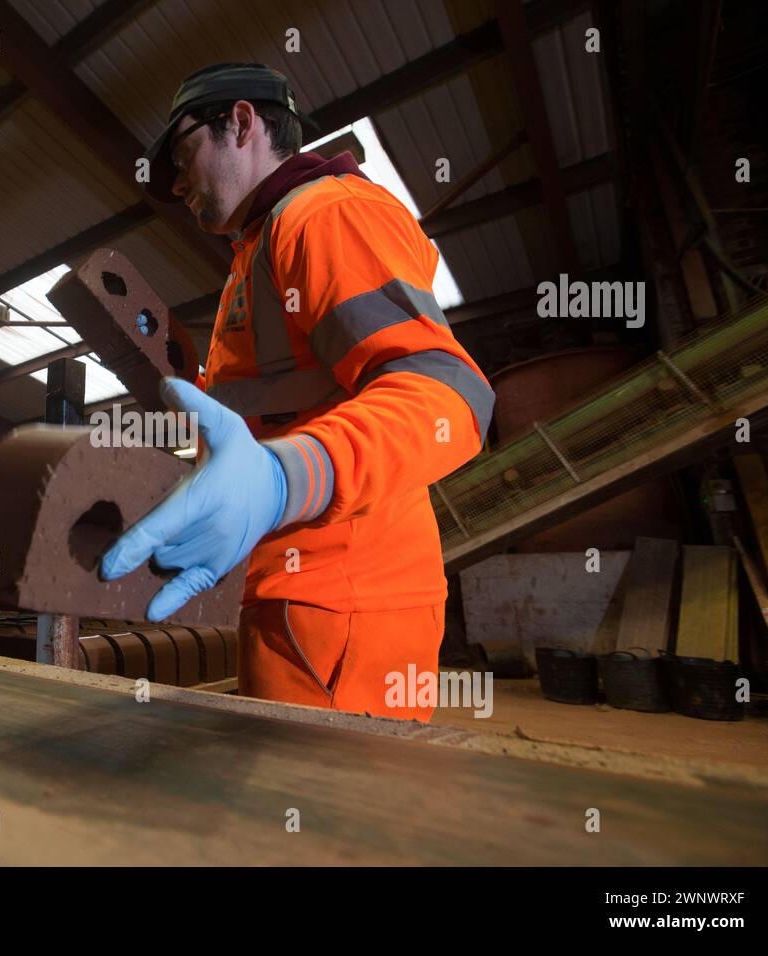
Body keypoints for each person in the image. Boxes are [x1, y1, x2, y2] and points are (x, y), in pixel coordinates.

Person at [101, 63, 495, 721]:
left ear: (241, 122)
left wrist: (285, 479)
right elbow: (270, 414)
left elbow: (444, 395)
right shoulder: (259, 250)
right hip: (296, 596)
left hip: (344, 605)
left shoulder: (327, 213)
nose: (177, 182)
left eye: (182, 153)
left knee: (328, 787)